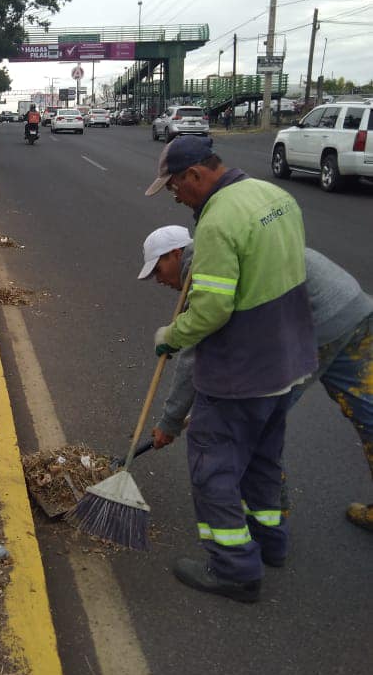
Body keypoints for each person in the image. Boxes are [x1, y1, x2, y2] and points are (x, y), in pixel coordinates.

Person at [144, 136, 316, 602]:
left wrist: (171, 337)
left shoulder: (218, 222)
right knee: (263, 461)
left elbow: (213, 310)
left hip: (242, 372)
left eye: (176, 188)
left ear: (196, 175)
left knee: (213, 467)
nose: (177, 197)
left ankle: (234, 568)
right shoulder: (275, 197)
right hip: (289, 360)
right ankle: (270, 544)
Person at [140, 227, 373, 534]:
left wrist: (170, 421)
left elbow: (196, 357)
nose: (159, 279)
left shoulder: (208, 270)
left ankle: (268, 526)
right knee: (368, 414)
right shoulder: (219, 248)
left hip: (313, 325)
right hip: (351, 305)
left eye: (158, 269)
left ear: (175, 254)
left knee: (254, 423)